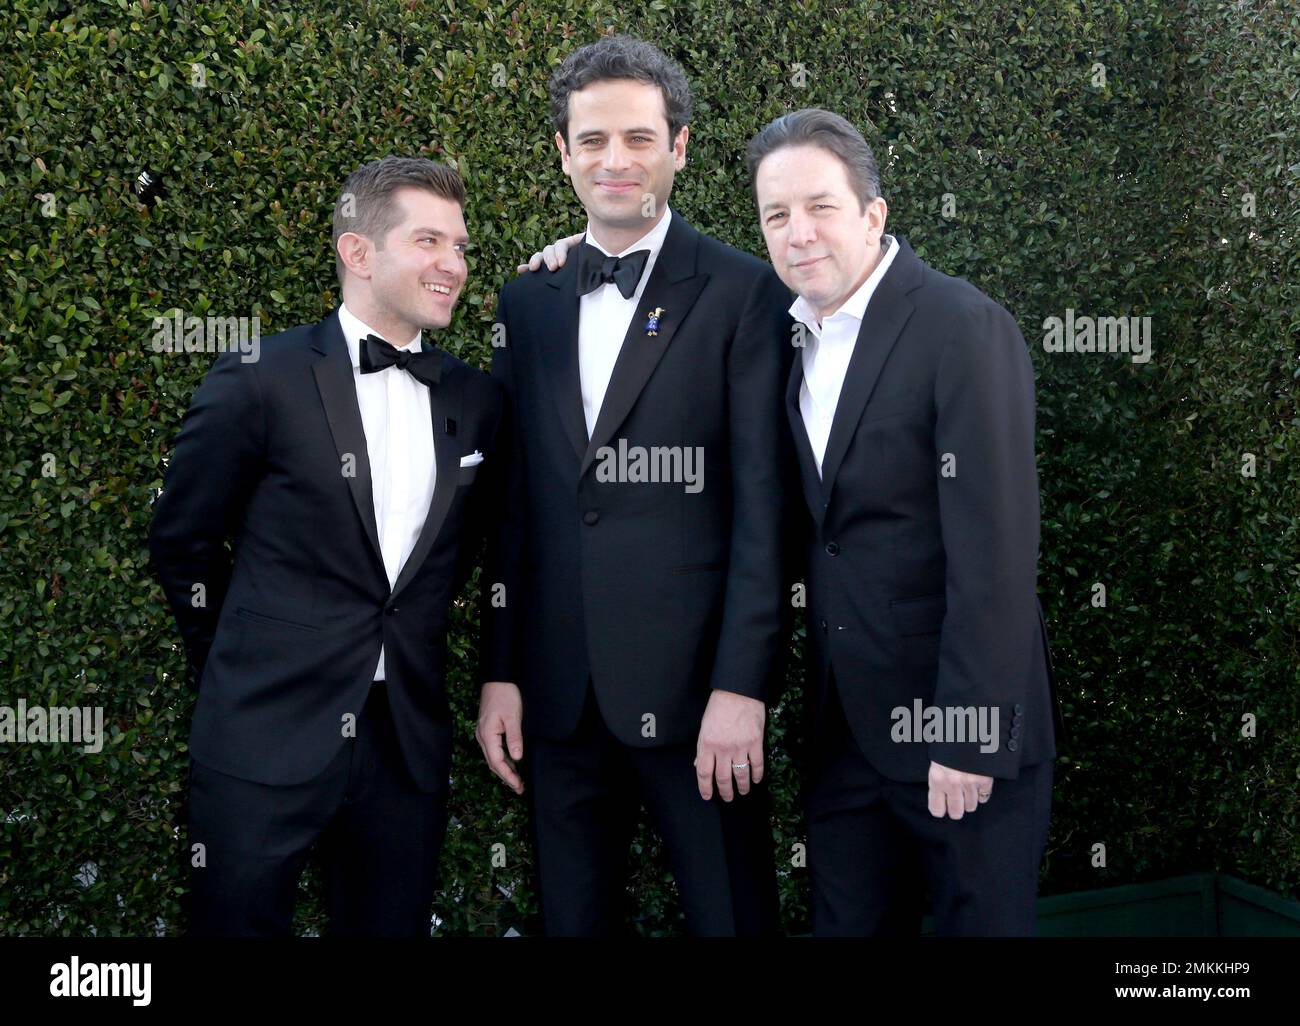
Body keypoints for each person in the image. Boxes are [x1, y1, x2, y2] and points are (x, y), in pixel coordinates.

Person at [476, 35, 789, 936]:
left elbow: (764, 513)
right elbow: (519, 506)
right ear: (564, 153)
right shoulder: (524, 301)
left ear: (679, 148)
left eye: (641, 139)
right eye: (594, 140)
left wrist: (743, 687)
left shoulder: (745, 293)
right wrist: (502, 672)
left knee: (733, 919)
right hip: (558, 698)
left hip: (700, 702)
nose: (616, 160)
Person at [149, 156, 503, 936]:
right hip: (263, 728)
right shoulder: (258, 377)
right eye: (430, 241)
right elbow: (182, 542)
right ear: (358, 252)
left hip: (404, 740)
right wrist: (244, 660)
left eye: (462, 246)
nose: (454, 265)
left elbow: (469, 556)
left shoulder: (477, 402)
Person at [749, 108, 1061, 935]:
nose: (799, 232)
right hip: (844, 733)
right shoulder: (788, 340)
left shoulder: (960, 326)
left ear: (874, 215)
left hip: (955, 731)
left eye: (820, 206)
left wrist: (968, 732)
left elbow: (995, 551)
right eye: (776, 215)